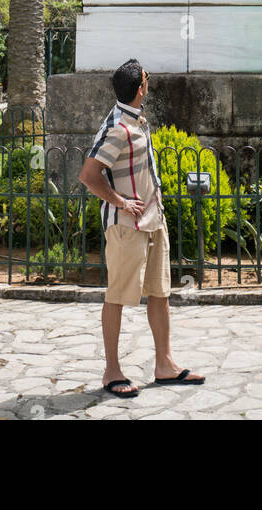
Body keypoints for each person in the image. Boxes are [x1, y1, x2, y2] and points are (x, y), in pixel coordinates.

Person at [78, 59, 205, 399]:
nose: (148, 84)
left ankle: (165, 364)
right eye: (146, 80)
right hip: (126, 227)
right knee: (117, 297)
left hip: (152, 221)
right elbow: (89, 175)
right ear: (140, 89)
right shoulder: (118, 127)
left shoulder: (137, 119)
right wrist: (119, 201)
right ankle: (111, 371)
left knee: (161, 294)